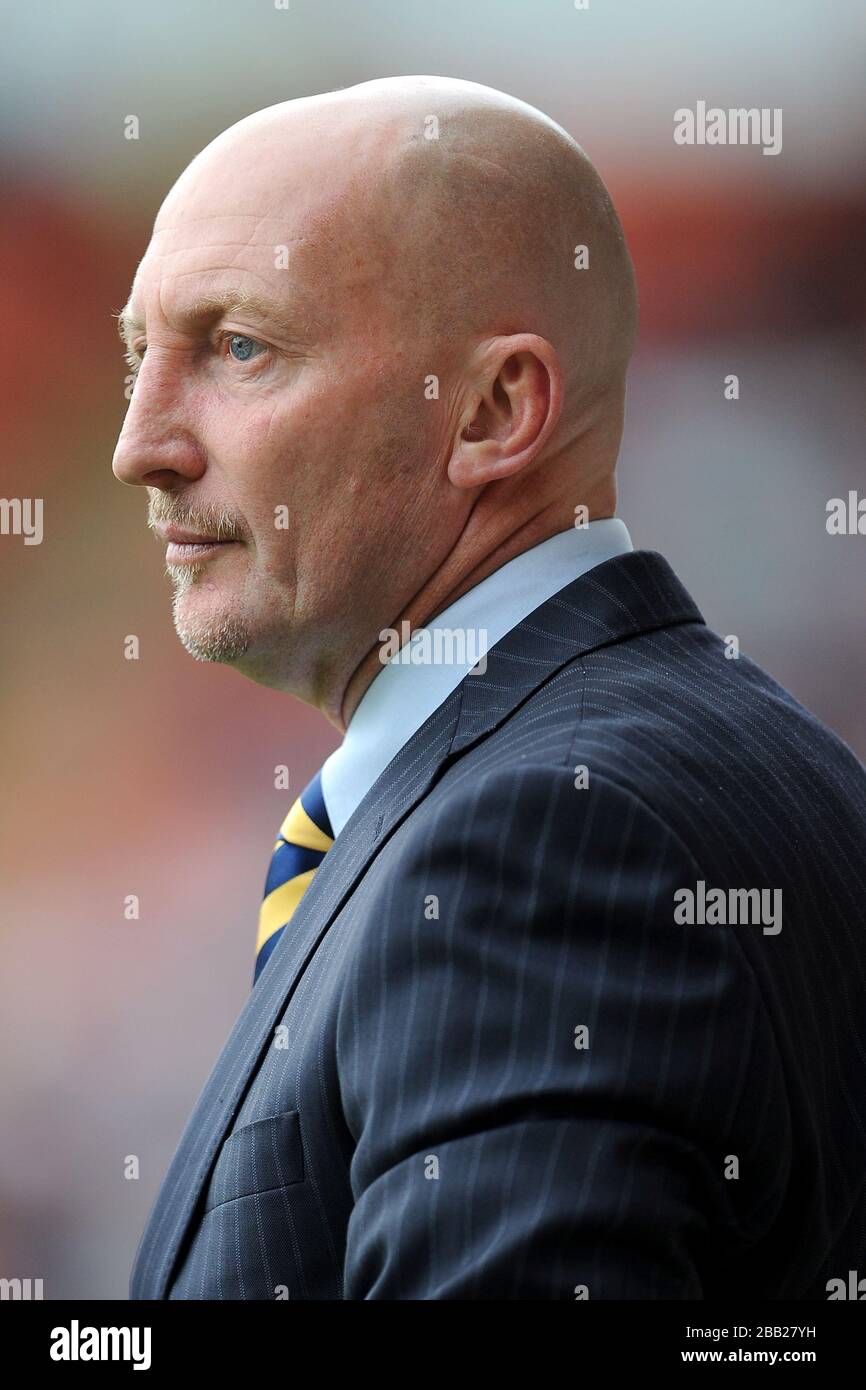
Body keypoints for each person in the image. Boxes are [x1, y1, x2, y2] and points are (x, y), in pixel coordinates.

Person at [113, 76, 866, 1300]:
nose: (139, 446)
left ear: (492, 410)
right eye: (139, 356)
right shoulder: (682, 762)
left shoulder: (546, 839)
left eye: (239, 347)